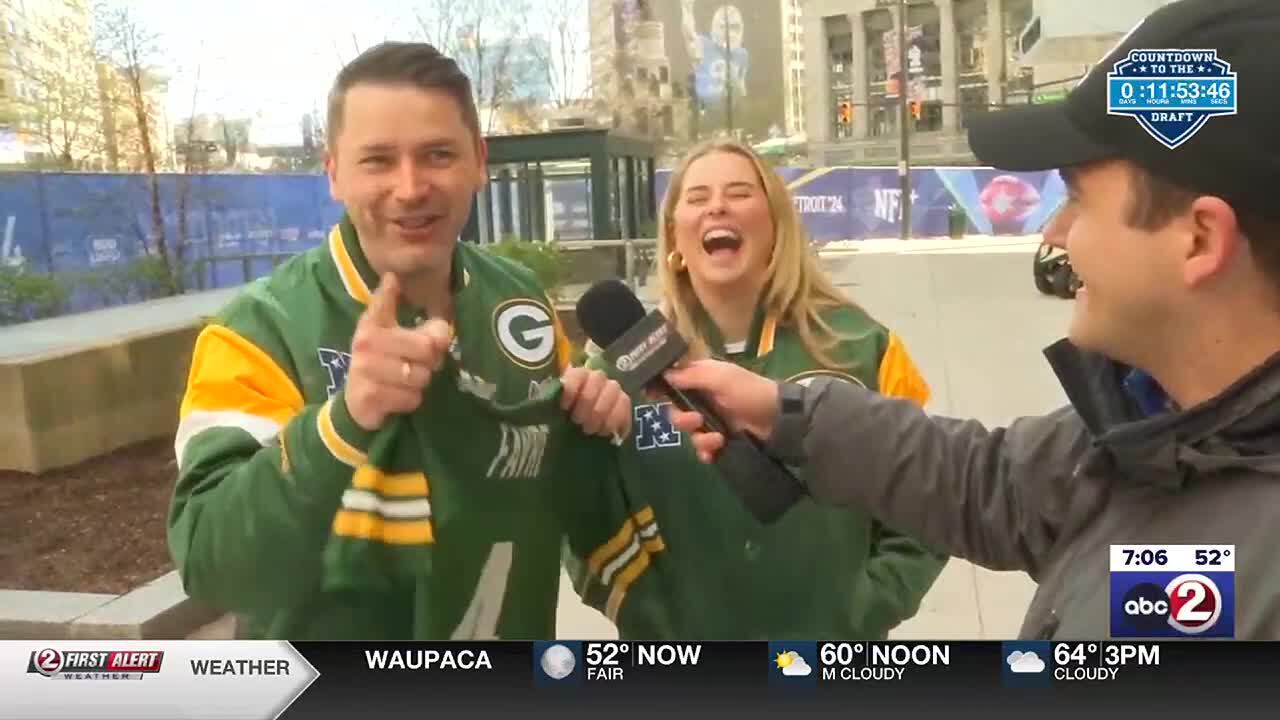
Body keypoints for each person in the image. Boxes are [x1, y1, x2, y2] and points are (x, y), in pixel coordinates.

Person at [659, 0, 1280, 639]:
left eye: (1075, 199)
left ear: (1200, 240)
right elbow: (979, 478)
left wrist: (856, 611)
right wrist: (782, 415)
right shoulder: (1144, 426)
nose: (1054, 232)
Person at [168, 42, 632, 640]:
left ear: (478, 162)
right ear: (334, 171)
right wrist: (342, 421)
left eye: (437, 154)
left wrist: (599, 420)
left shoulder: (519, 302)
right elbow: (214, 568)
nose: (411, 188)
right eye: (378, 160)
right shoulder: (259, 330)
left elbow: (564, 494)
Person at [566, 139, 946, 639]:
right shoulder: (616, 368)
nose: (717, 206)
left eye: (740, 193)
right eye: (697, 197)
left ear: (776, 226)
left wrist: (861, 607)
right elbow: (578, 516)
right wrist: (648, 612)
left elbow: (929, 494)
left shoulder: (863, 349)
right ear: (674, 235)